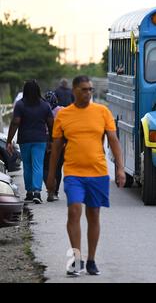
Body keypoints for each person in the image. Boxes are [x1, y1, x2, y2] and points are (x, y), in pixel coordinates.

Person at [46, 75, 126, 276]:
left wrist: (120, 168)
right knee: (73, 211)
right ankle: (76, 258)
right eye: (84, 89)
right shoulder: (63, 116)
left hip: (98, 172)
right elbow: (56, 147)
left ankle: (91, 260)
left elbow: (114, 140)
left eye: (90, 89)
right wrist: (51, 175)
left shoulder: (102, 112)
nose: (88, 93)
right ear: (74, 90)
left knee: (94, 215)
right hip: (73, 172)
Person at [6, 80, 54, 204]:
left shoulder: (20, 105)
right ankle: (37, 192)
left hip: (25, 139)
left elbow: (15, 122)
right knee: (38, 165)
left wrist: (9, 140)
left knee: (27, 166)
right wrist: (51, 139)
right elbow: (51, 123)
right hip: (40, 139)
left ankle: (29, 193)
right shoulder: (44, 105)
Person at [43, 91, 64, 202]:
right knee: (58, 167)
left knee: (46, 167)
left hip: (45, 140)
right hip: (60, 142)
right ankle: (55, 192)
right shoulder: (62, 110)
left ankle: (49, 190)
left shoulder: (42, 109)